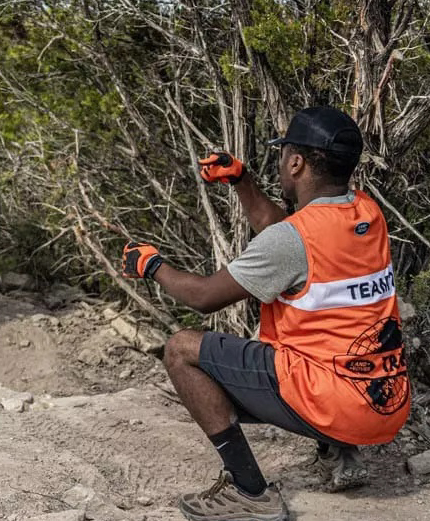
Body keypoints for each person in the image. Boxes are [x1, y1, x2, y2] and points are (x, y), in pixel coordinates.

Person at [121, 106, 409, 521]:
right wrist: (241, 181)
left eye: (283, 153)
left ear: (296, 162)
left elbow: (203, 296)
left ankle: (248, 492)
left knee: (183, 351)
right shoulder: (366, 214)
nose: (280, 162)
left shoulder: (292, 241)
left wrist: (151, 265)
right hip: (385, 405)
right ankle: (338, 451)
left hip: (333, 402)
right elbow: (287, 233)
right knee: (332, 346)